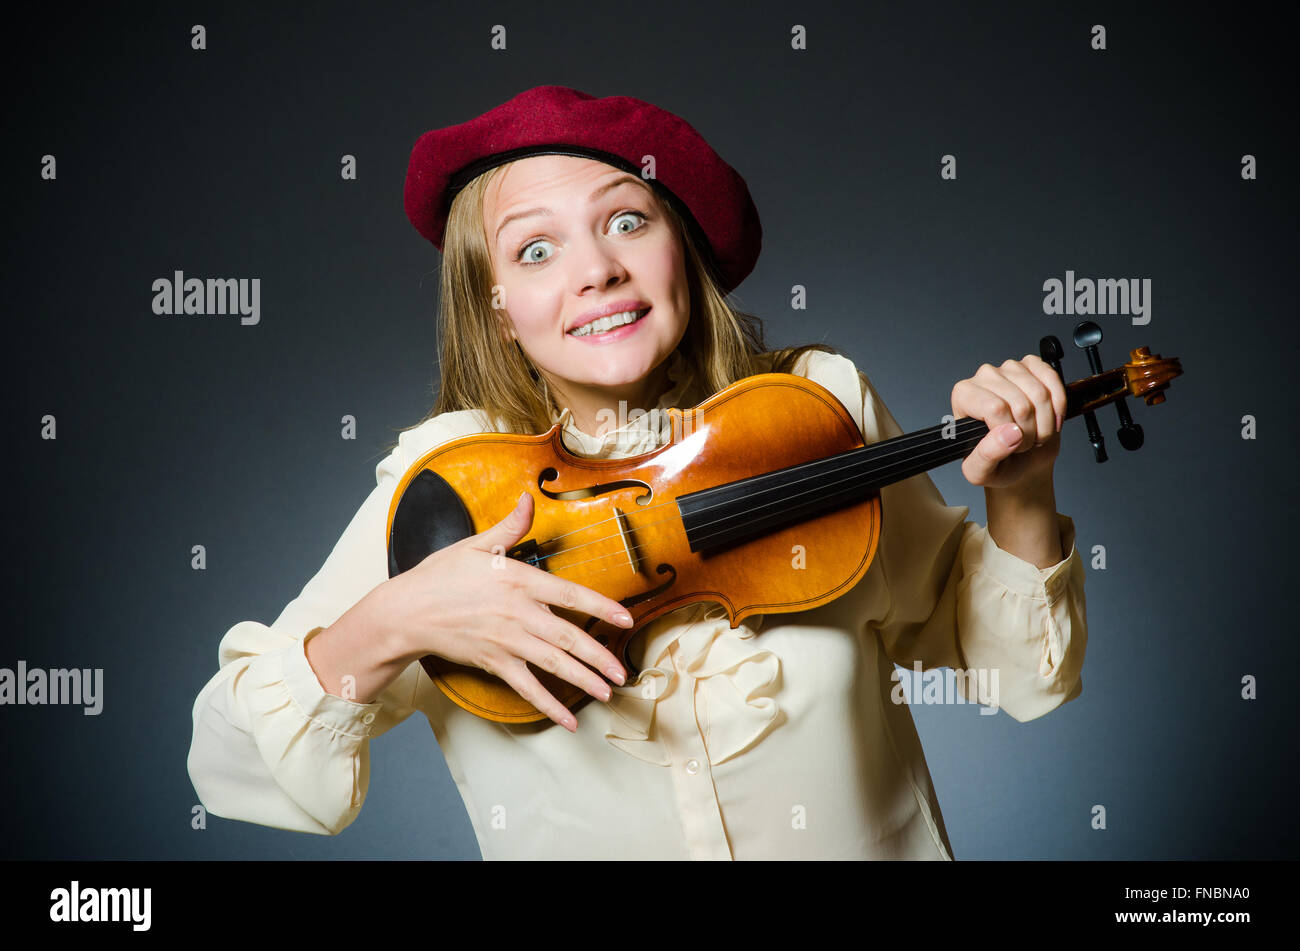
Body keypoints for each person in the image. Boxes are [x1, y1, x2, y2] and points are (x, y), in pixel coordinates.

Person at [186, 85, 1087, 860]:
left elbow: (1017, 676)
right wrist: (398, 617)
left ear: (679, 252)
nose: (598, 271)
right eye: (535, 250)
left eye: (627, 220)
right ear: (497, 309)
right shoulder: (453, 486)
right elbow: (227, 759)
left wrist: (1020, 487)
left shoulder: (809, 415)